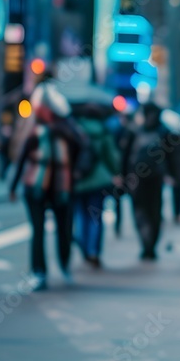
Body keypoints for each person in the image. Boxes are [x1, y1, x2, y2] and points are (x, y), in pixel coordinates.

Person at [9, 83, 75, 291]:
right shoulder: (33, 130)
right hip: (35, 187)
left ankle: (64, 264)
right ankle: (39, 272)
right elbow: (21, 158)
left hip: (60, 187)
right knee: (38, 231)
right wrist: (13, 186)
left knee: (63, 229)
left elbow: (83, 150)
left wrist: (77, 174)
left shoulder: (66, 129)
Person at [72, 105, 122, 269]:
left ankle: (84, 249)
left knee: (80, 215)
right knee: (95, 216)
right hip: (99, 179)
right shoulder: (103, 130)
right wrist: (116, 173)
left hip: (79, 179)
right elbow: (111, 156)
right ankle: (93, 251)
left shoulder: (76, 128)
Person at [124, 102, 171, 261]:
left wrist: (123, 175)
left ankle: (146, 243)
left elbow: (125, 155)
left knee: (140, 209)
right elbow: (172, 155)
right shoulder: (163, 130)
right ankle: (150, 245)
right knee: (154, 211)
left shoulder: (135, 130)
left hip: (138, 176)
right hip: (155, 177)